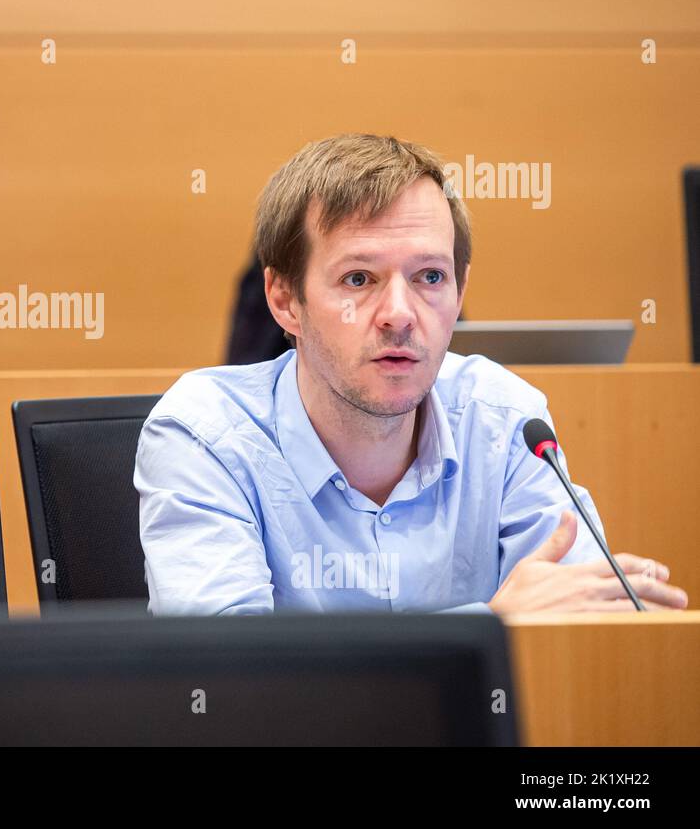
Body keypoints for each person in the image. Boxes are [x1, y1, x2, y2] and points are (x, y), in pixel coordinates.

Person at [136, 133, 687, 615]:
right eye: (358, 279)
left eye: (429, 276)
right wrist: (491, 627)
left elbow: (579, 630)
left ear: (460, 290)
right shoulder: (206, 435)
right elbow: (229, 680)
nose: (400, 313)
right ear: (284, 300)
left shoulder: (507, 422)